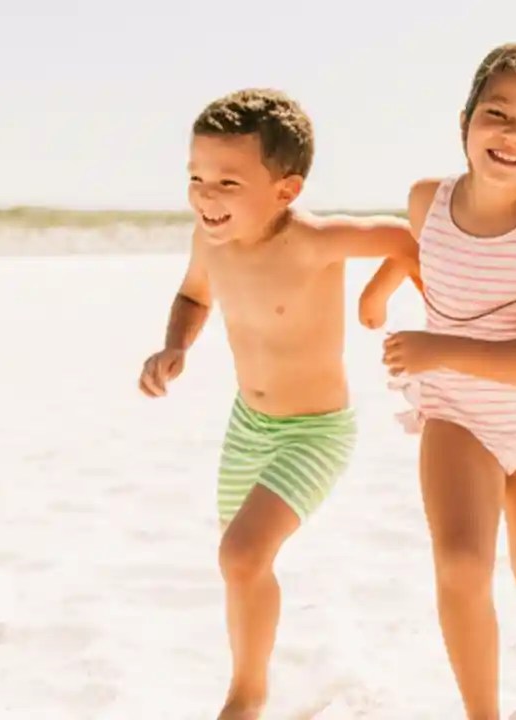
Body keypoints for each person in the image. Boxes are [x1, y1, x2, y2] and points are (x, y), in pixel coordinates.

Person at [138, 88, 416, 720]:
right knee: (240, 565)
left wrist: (375, 300)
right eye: (196, 177)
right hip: (248, 426)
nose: (207, 196)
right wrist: (173, 346)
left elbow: (406, 241)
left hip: (315, 432)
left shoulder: (315, 240)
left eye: (228, 182)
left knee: (240, 554)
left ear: (284, 191)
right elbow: (192, 296)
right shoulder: (209, 241)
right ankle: (251, 681)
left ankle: (244, 701)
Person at [358, 41, 516, 719]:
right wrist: (379, 291)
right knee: (462, 566)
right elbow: (419, 249)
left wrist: (439, 345)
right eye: (496, 113)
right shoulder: (425, 199)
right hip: (455, 415)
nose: (511, 135)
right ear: (466, 121)